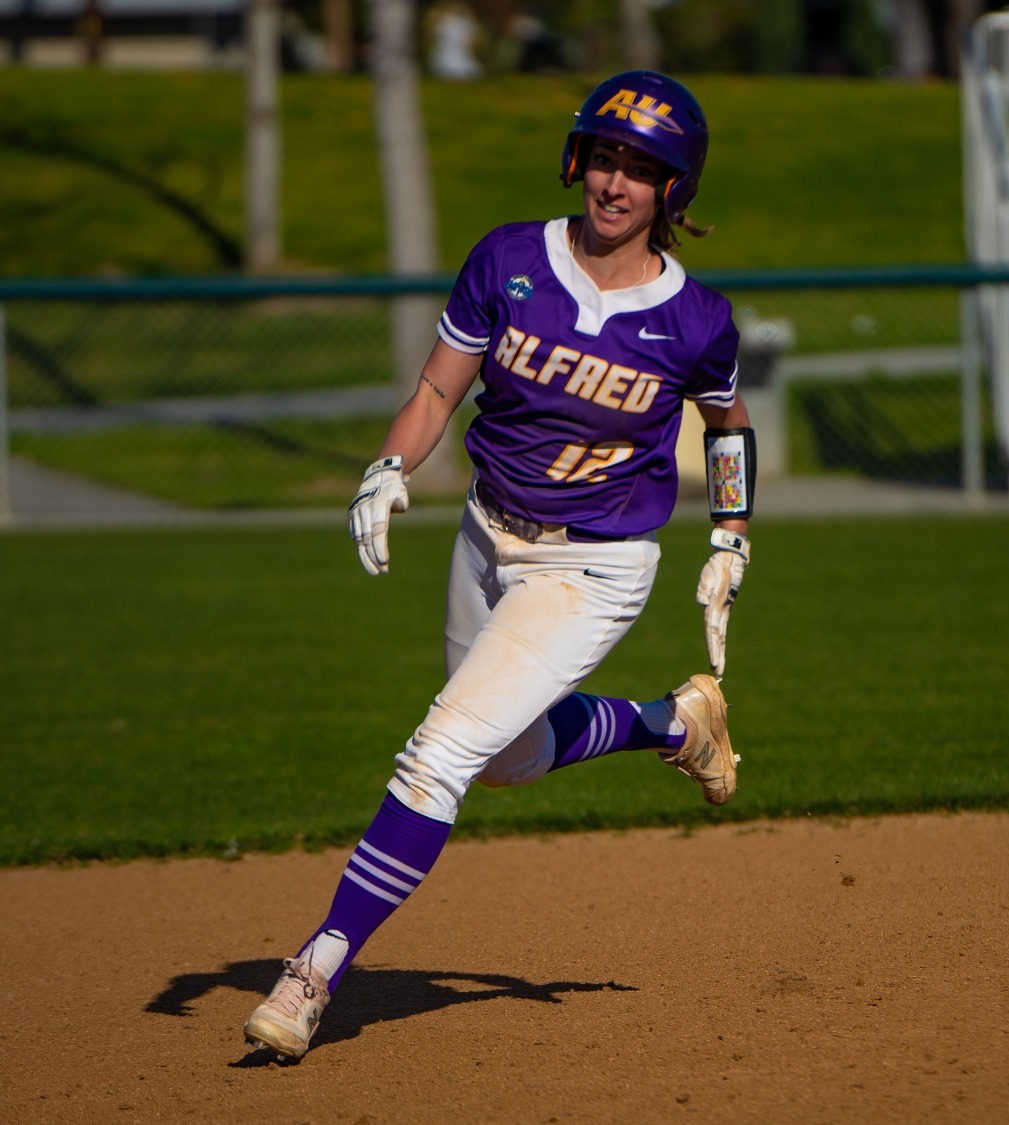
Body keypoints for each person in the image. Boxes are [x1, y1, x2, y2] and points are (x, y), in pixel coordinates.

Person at [243, 71, 756, 1063]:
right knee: (508, 761)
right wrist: (389, 466)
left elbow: (726, 426)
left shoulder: (695, 319)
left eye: (642, 169)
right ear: (578, 159)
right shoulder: (509, 259)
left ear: (672, 192)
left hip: (592, 567)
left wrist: (729, 536)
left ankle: (314, 970)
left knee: (436, 756)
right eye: (605, 156)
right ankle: (672, 721)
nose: (616, 182)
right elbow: (437, 392)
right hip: (484, 535)